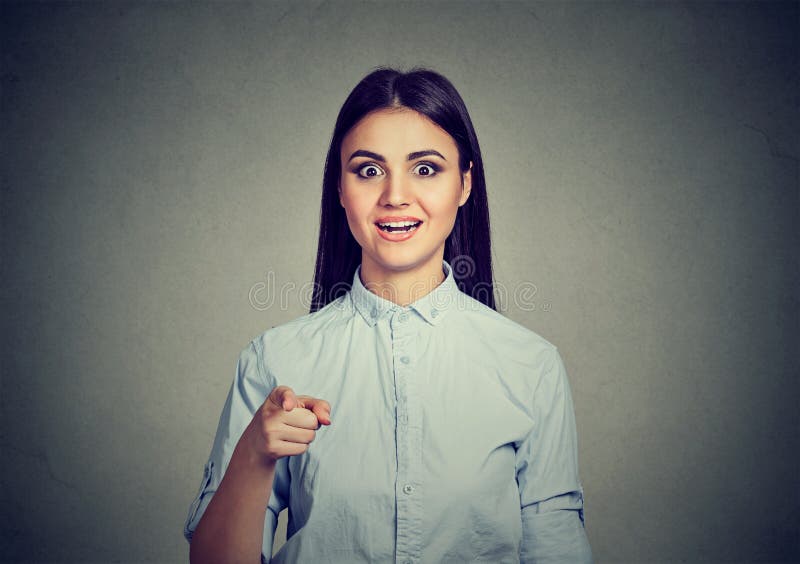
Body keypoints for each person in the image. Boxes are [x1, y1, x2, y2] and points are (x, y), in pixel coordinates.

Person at [183, 67, 593, 564]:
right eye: (369, 170)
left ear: (464, 184)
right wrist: (253, 452)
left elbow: (557, 550)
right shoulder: (273, 360)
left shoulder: (532, 367)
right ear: (340, 188)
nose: (395, 196)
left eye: (425, 168)